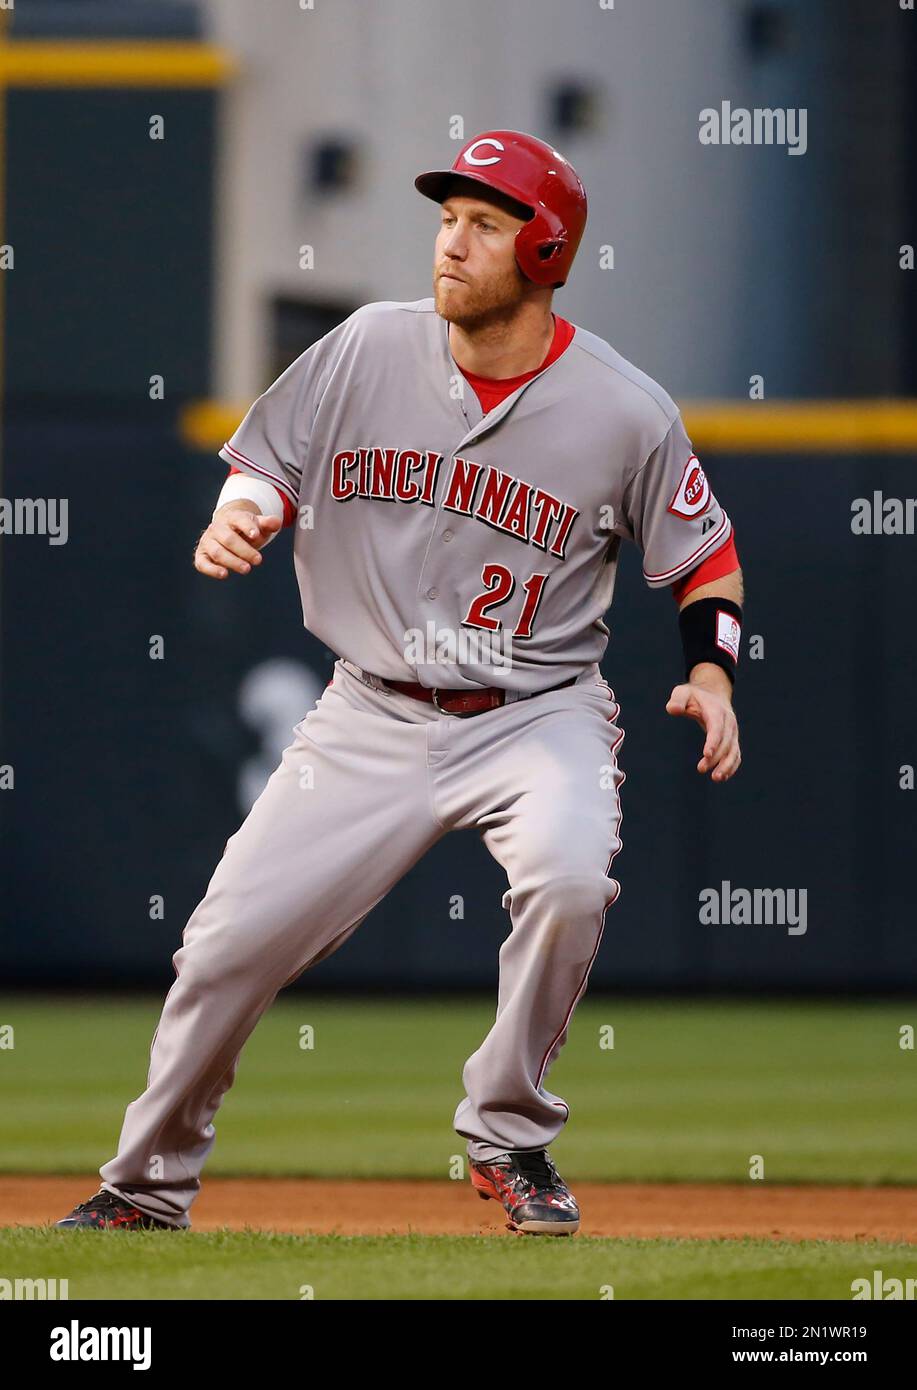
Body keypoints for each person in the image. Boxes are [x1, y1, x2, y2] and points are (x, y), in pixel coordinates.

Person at [58, 130, 743, 1238]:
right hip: (368, 709)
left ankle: (509, 1138)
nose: (451, 242)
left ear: (547, 246)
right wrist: (244, 513)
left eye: (485, 222)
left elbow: (702, 558)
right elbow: (266, 461)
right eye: (445, 219)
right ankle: (144, 1187)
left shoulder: (624, 409)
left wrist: (710, 671)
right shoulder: (369, 346)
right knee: (224, 946)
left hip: (537, 712)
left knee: (569, 881)